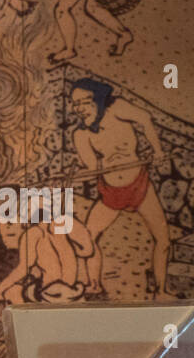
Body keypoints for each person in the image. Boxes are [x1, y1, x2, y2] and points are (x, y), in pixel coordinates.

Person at [69, 79, 173, 298]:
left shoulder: (117, 108)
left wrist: (157, 150)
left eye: (84, 102)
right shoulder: (81, 134)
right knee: (88, 236)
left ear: (97, 98)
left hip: (139, 184)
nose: (79, 109)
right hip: (111, 190)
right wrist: (78, 175)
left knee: (163, 237)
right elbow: (91, 167)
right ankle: (94, 285)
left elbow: (145, 119)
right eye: (75, 104)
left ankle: (161, 290)